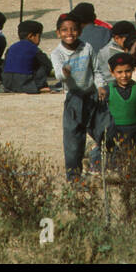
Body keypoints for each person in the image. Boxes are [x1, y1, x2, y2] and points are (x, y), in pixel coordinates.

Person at [51, 12, 100, 180]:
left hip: (93, 95)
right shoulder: (57, 53)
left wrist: (101, 87)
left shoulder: (87, 48)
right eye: (64, 30)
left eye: (73, 29)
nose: (69, 33)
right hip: (74, 99)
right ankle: (74, 175)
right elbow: (58, 74)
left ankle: (101, 165)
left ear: (79, 31)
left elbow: (97, 70)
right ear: (58, 33)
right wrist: (64, 72)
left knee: (104, 131)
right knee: (73, 138)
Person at [1, 20, 54, 94]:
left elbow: (5, 64)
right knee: (43, 66)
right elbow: (48, 64)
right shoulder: (33, 48)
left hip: (7, 82)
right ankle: (39, 85)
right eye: (39, 36)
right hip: (24, 82)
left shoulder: (11, 47)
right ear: (31, 36)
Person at [93, 20, 135, 100]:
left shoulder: (127, 48)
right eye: (130, 38)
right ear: (117, 38)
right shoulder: (108, 51)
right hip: (113, 88)